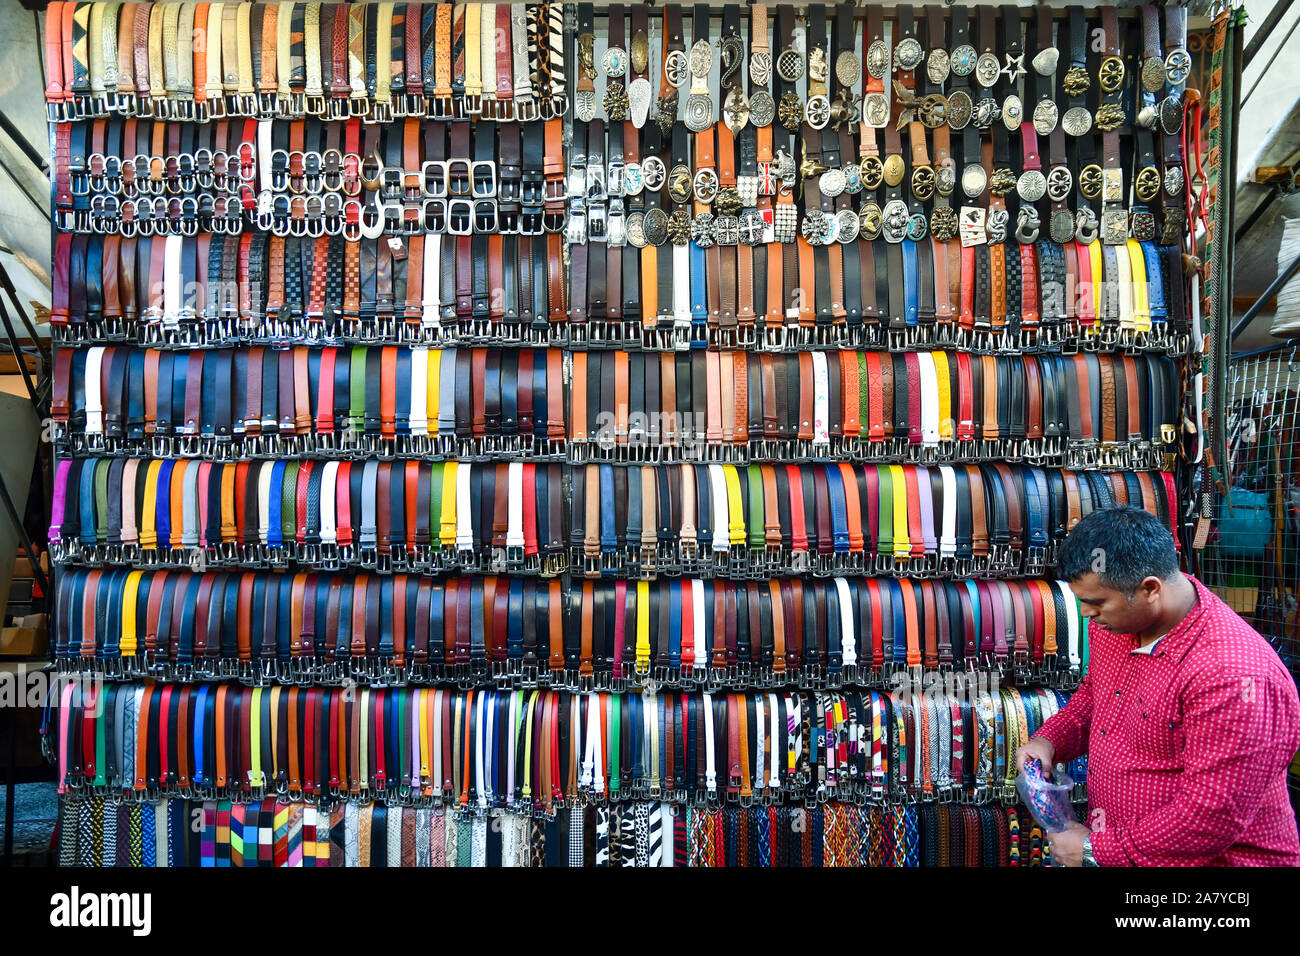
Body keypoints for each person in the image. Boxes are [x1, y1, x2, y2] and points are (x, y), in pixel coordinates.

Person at [1016, 505, 1300, 866]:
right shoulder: (1115, 626)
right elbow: (1096, 693)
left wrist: (1094, 851)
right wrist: (1050, 739)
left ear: (1150, 589)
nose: (1086, 614)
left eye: (1096, 603)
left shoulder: (1233, 676)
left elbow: (1209, 818)